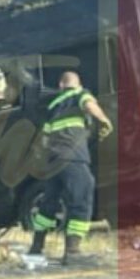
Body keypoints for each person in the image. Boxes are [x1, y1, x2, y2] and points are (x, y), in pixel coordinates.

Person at [28, 70, 113, 264]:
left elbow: (43, 139)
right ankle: (72, 252)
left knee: (48, 204)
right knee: (81, 199)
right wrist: (104, 121)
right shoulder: (80, 95)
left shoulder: (52, 106)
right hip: (74, 158)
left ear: (60, 86)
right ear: (78, 84)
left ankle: (36, 247)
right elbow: (90, 106)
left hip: (53, 162)